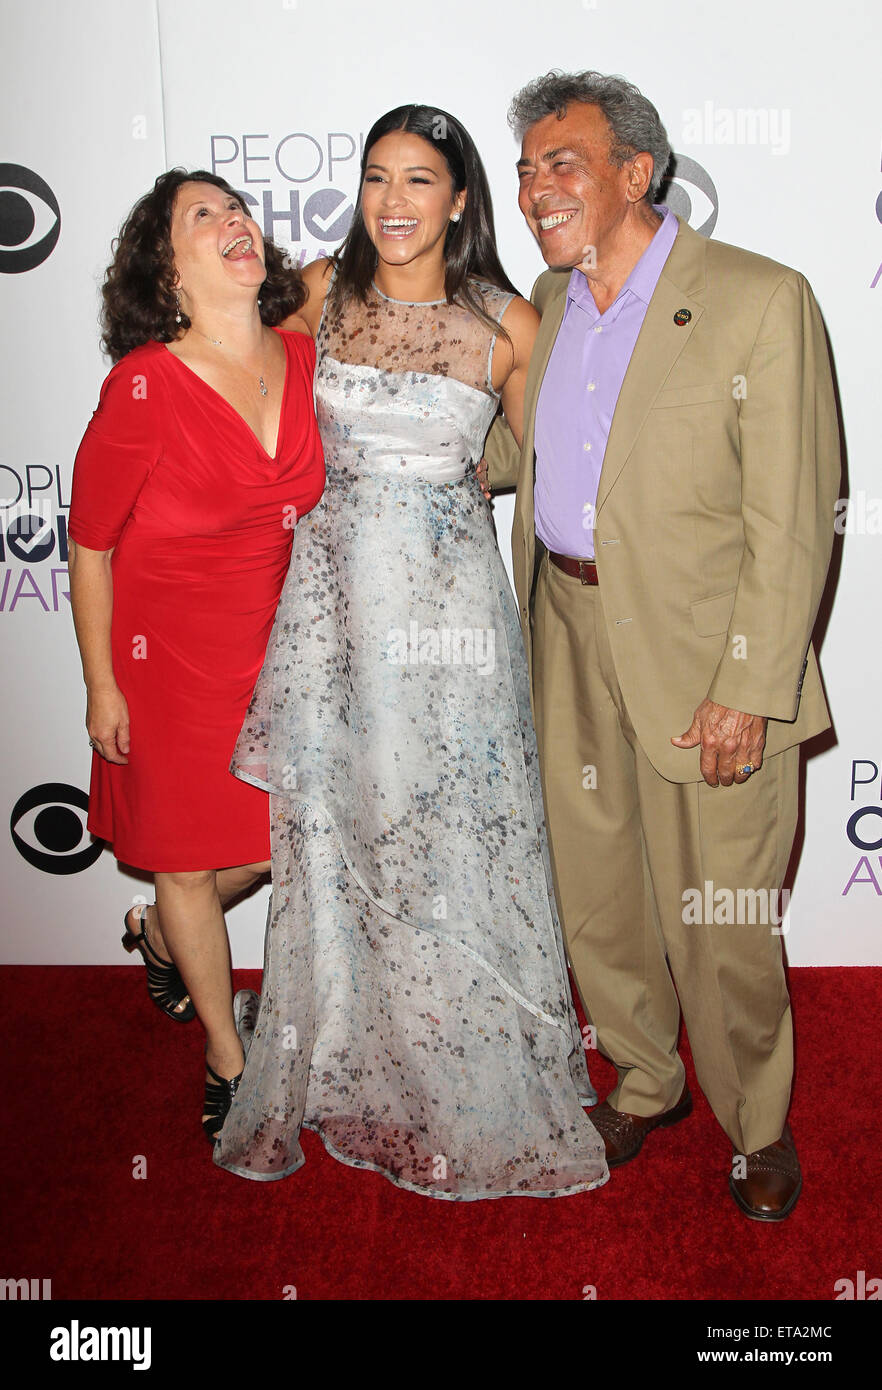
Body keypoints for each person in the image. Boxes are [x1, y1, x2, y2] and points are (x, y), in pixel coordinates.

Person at [213, 105, 609, 1199]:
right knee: (339, 821)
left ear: (461, 199)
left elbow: (558, 475)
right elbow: (213, 358)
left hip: (449, 620)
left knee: (445, 829)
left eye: (421, 180)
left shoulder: (507, 322)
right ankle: (345, 1042)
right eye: (378, 177)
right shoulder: (313, 293)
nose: (394, 201)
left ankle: (458, 1055)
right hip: (331, 614)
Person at [482, 71, 840, 1220]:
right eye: (529, 166)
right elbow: (514, 451)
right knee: (599, 894)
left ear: (636, 172)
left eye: (564, 162)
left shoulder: (758, 298)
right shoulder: (545, 296)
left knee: (722, 915)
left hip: (706, 661)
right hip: (568, 632)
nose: (537, 187)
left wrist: (752, 688)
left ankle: (759, 1125)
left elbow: (793, 520)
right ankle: (642, 1077)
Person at [68, 169, 324, 1142]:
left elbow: (371, 264)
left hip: (273, 656)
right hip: (161, 660)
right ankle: (227, 1056)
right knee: (184, 865)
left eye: (236, 208)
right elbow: (89, 548)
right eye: (201, 217)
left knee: (272, 847)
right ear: (167, 272)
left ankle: (161, 940)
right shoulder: (144, 384)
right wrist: (101, 683)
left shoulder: (299, 354)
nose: (233, 222)